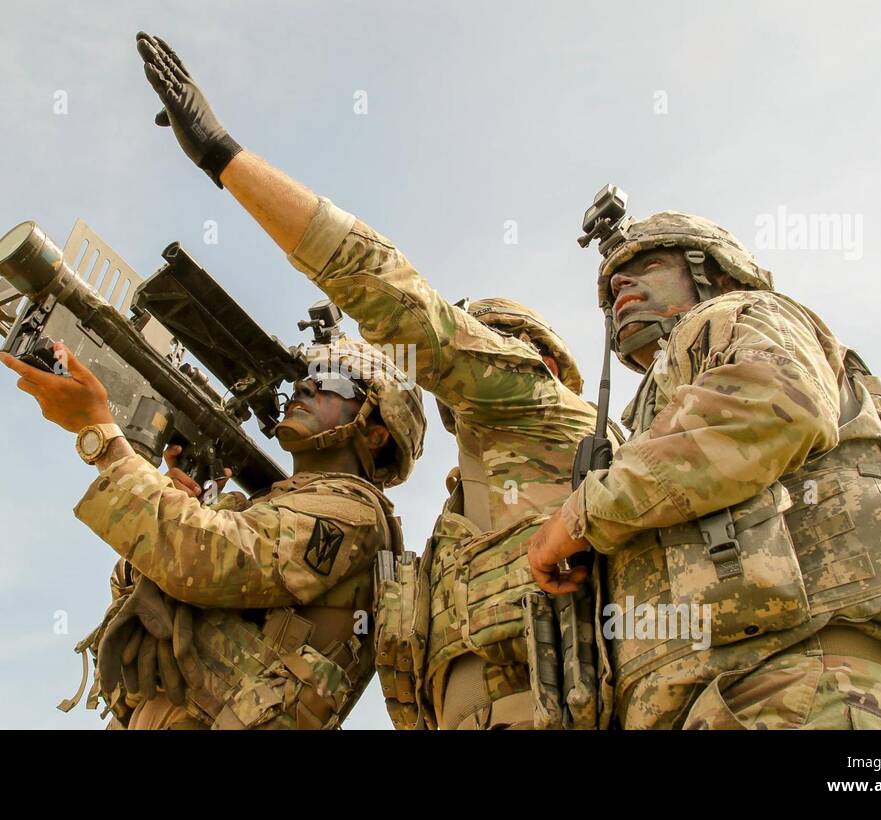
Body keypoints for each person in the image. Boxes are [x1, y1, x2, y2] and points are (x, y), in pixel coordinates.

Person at [133, 32, 618, 729]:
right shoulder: (458, 525)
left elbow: (402, 307)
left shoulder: (550, 415)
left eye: (487, 341)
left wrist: (222, 156)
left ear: (533, 361)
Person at [528, 208, 881, 729]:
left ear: (718, 272)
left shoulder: (736, 313)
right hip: (732, 698)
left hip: (802, 685)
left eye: (650, 264)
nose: (621, 284)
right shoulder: (657, 410)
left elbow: (775, 404)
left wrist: (581, 515)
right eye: (615, 281)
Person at [0, 335, 425, 728]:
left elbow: (207, 560)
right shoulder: (263, 508)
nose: (306, 389)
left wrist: (103, 438)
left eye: (335, 383)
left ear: (374, 434)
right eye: (305, 379)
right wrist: (175, 497)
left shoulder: (353, 514)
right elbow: (137, 593)